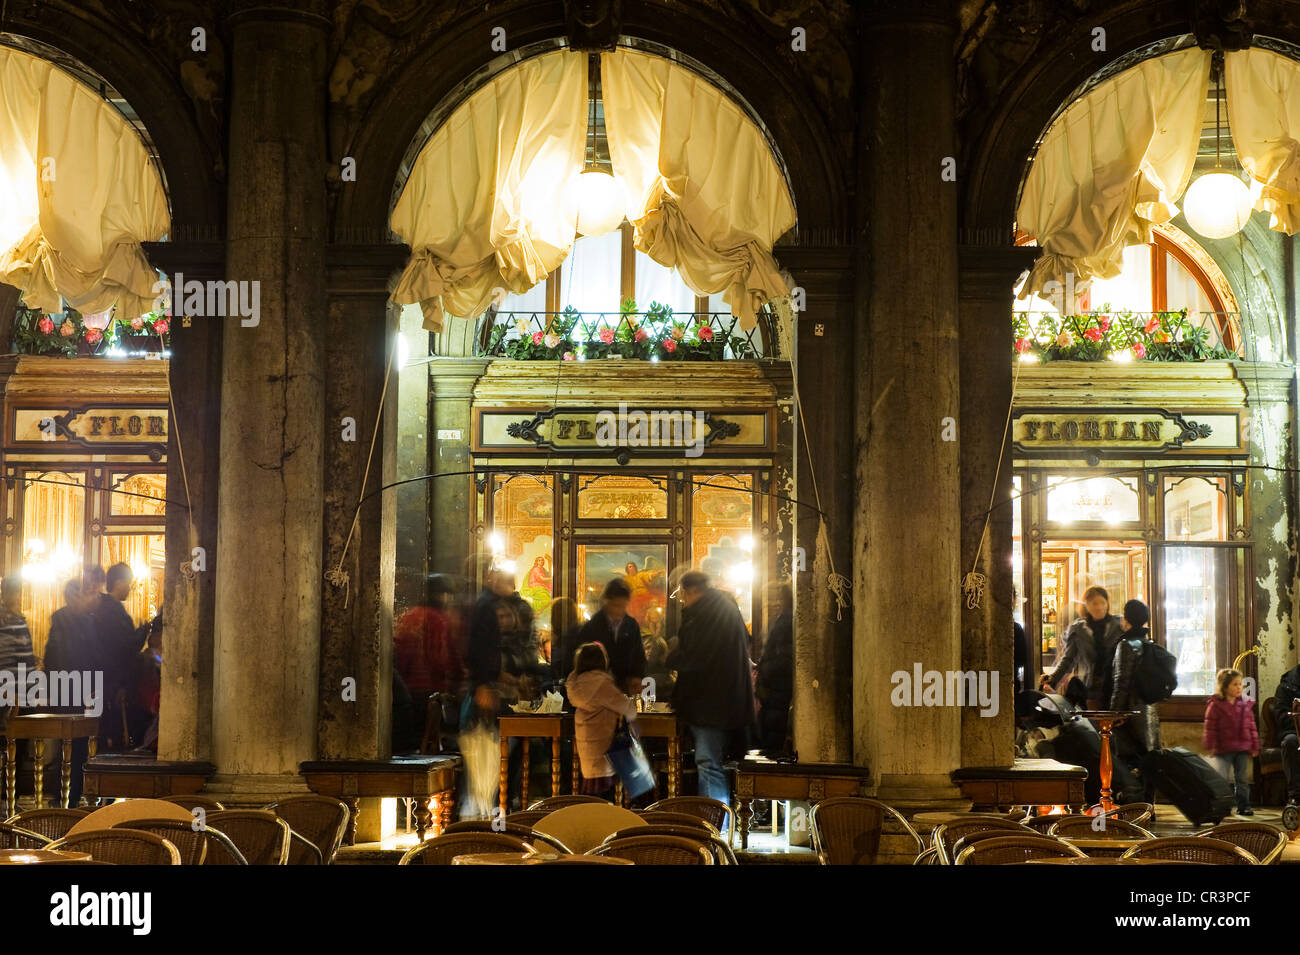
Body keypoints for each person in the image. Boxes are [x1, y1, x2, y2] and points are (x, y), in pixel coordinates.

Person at [667, 570, 755, 808]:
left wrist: (672, 657)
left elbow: (698, 655)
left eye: (683, 595)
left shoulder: (704, 614)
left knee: (708, 762)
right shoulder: (725, 608)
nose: (683, 600)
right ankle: (719, 820)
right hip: (727, 699)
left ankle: (715, 823)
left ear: (692, 590)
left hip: (710, 702)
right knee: (714, 762)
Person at [566, 642, 640, 800]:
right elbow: (628, 708)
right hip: (603, 747)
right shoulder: (601, 683)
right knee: (605, 799)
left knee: (591, 796)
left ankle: (591, 824)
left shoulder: (576, 683)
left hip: (586, 748)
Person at [394, 574, 464, 737]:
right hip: (431, 687)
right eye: (447, 594)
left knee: (415, 735)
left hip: (408, 686)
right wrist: (456, 678)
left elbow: (401, 652)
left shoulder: (410, 615)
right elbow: (439, 658)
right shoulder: (438, 619)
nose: (449, 599)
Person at [1107, 598, 1162, 804]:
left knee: (1128, 760)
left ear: (1127, 620)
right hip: (1149, 711)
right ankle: (1149, 805)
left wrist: (1114, 713)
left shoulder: (1126, 645)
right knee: (1148, 760)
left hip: (1130, 713)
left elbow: (1121, 681)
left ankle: (1132, 806)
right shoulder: (1149, 643)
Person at [1039, 585, 1123, 707]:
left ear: (1107, 604)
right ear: (1087, 606)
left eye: (1103, 603)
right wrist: (1052, 679)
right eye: (1095, 603)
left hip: (1116, 688)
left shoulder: (1118, 625)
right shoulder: (1079, 630)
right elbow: (1068, 660)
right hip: (1091, 689)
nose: (1100, 607)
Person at [93, 563, 142, 748]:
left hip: (109, 683)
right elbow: (122, 649)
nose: (130, 587)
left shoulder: (107, 608)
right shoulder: (111, 611)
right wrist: (142, 633)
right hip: (112, 685)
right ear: (119, 582)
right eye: (128, 582)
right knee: (111, 736)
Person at [1203, 668, 1260, 816]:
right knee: (1221, 779)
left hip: (1242, 748)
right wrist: (1210, 744)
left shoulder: (1245, 704)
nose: (1239, 687)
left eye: (1240, 684)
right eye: (1235, 684)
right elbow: (1210, 727)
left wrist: (1254, 745)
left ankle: (1244, 805)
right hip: (1223, 748)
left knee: (1242, 779)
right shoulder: (1215, 705)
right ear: (1225, 686)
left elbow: (1251, 726)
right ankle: (1221, 806)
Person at [575, 578, 646, 695]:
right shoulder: (591, 627)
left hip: (624, 689)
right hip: (596, 691)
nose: (620, 611)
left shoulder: (631, 625)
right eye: (616, 605)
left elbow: (638, 655)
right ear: (605, 602)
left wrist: (637, 676)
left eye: (623, 606)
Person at [755, 583, 793, 752]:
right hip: (776, 687)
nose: (773, 602)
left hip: (779, 687)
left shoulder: (786, 620)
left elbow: (784, 657)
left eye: (777, 597)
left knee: (774, 734)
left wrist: (765, 670)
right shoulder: (782, 619)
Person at [0, 574, 36, 734]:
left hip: (24, 692)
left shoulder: (20, 620)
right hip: (10, 693)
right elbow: (4, 658)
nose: (18, 597)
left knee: (20, 743)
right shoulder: (5, 621)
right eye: (15, 592)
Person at [1275, 664, 1300, 802]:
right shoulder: (1286, 686)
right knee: (1290, 742)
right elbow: (1281, 717)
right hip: (1293, 731)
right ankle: (1296, 796)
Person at [643, 636, 675, 703]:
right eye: (648, 648)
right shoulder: (638, 668)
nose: (650, 651)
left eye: (655, 649)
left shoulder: (666, 672)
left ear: (660, 652)